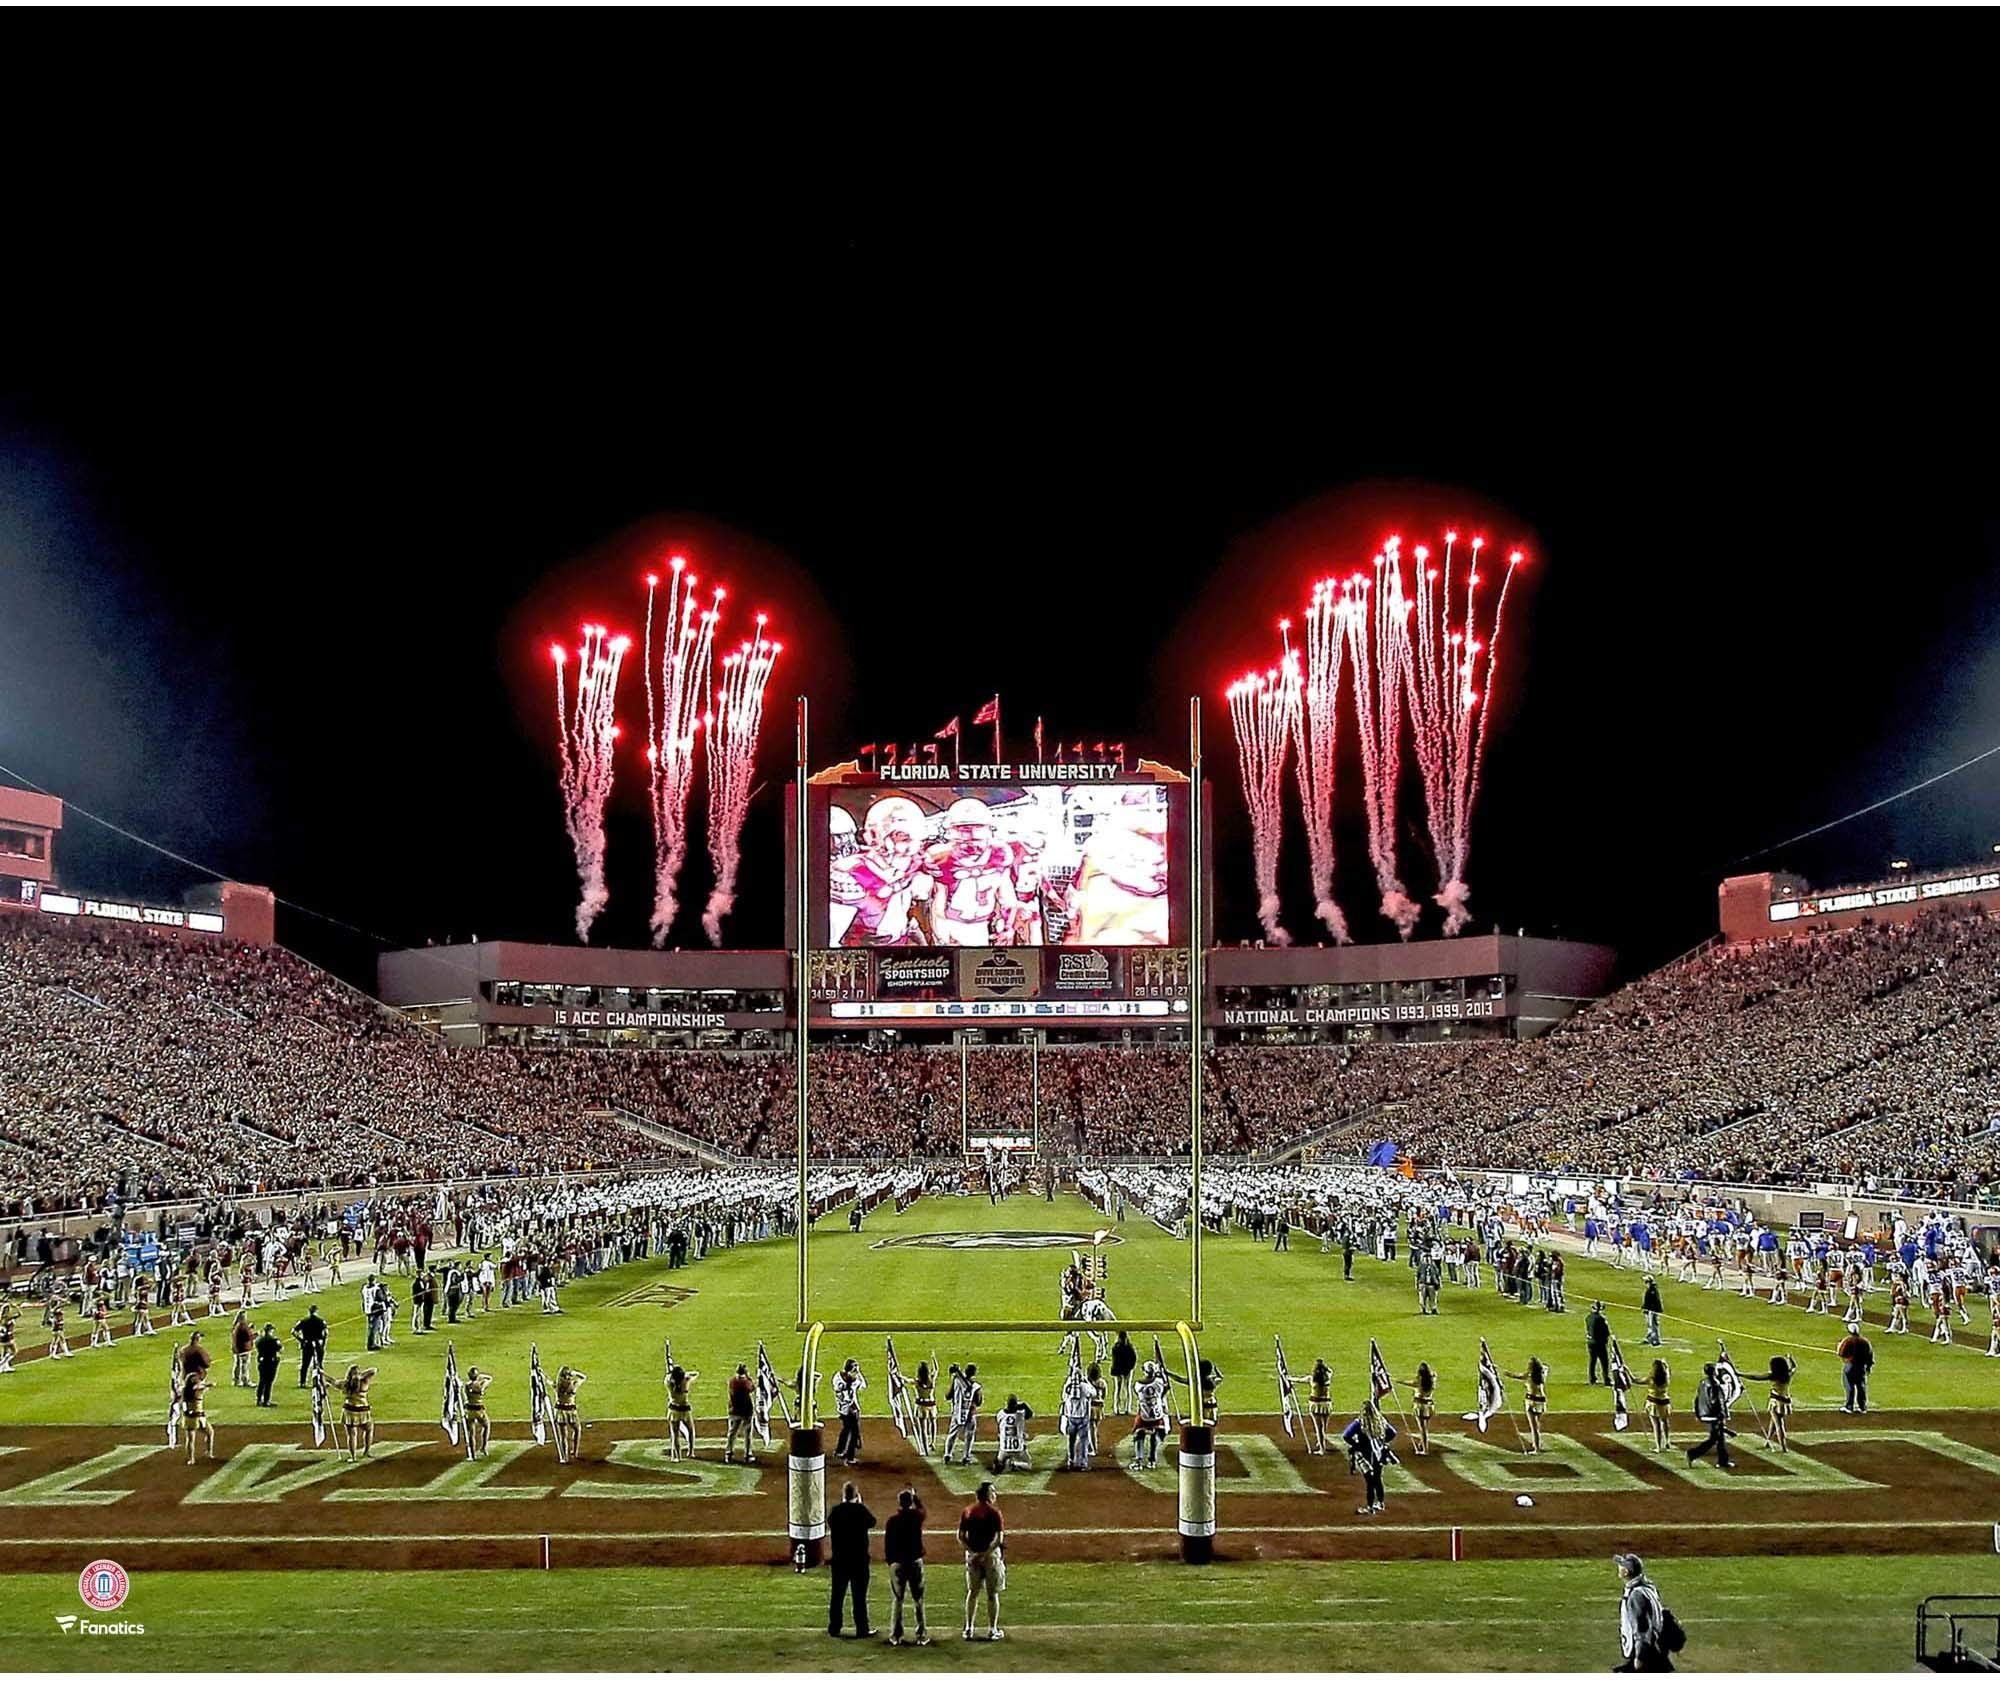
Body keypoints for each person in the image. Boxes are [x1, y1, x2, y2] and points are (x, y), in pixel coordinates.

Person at [825, 1480, 876, 1639]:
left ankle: (834, 1627)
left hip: (840, 1560)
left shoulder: (836, 1511)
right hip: (859, 1560)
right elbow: (872, 1522)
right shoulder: (861, 1510)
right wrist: (859, 1504)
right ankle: (862, 1629)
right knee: (859, 1597)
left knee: (837, 1596)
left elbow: (830, 1523)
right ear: (856, 1495)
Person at [957, 1480, 1005, 1641]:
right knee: (992, 1594)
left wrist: (972, 1553)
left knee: (972, 1593)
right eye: (993, 1492)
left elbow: (961, 1536)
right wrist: (986, 1553)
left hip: (973, 1556)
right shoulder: (994, 1512)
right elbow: (998, 1538)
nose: (995, 1494)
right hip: (990, 1556)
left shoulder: (968, 1511)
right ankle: (992, 1629)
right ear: (987, 1495)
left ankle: (969, 1628)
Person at [883, 1486, 930, 1646]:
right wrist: (916, 1497)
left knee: (897, 1599)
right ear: (910, 1503)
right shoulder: (916, 1516)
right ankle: (921, 1635)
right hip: (915, 1561)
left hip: (898, 1563)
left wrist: (891, 1562)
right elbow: (922, 1510)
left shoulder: (892, 1521)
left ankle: (896, 1635)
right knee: (919, 1600)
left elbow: (888, 1544)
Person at [1614, 1553, 1674, 1671]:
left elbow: (1642, 1628)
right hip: (1654, 1650)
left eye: (1621, 1565)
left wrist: (1640, 1656)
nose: (1618, 1567)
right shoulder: (1646, 1588)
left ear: (1626, 1572)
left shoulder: (1636, 1595)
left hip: (1647, 1654)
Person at [1342, 1395, 1398, 1515]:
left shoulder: (1360, 1423)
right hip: (1379, 1454)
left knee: (1369, 1481)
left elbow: (1346, 1435)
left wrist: (1356, 1445)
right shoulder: (1381, 1421)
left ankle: (1370, 1506)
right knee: (1377, 1478)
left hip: (1365, 1455)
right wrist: (1383, 1442)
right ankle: (1380, 1503)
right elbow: (1392, 1433)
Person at [1685, 1362, 1733, 1470]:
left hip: (1705, 1413)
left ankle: (1723, 1460)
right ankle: (1692, 1453)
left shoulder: (1703, 1383)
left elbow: (1697, 1398)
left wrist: (1697, 1412)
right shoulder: (1714, 1385)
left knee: (1720, 1438)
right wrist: (1722, 1415)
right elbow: (1717, 1401)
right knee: (1715, 1438)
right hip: (1714, 1415)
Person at [943, 1363, 982, 1466]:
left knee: (952, 1434)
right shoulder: (976, 1386)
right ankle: (966, 1457)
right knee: (969, 1436)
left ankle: (948, 1454)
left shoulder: (957, 1381)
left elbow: (948, 1396)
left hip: (957, 1412)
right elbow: (978, 1402)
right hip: (970, 1413)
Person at [833, 1358, 866, 1467]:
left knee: (846, 1429)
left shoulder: (837, 1377)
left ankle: (839, 1450)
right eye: (854, 1371)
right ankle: (850, 1458)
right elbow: (862, 1386)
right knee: (855, 1433)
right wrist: (855, 1411)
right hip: (849, 1410)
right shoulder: (851, 1383)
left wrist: (857, 1372)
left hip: (842, 1409)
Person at [725, 1364, 758, 1465]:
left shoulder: (732, 1381)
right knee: (747, 1434)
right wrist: (750, 1378)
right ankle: (748, 1454)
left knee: (732, 1433)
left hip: (733, 1410)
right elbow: (752, 1388)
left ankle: (728, 1453)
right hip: (745, 1411)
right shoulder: (745, 1382)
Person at [1837, 1326, 1874, 1414]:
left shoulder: (1848, 1340)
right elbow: (1870, 1354)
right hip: (1861, 1367)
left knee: (1849, 1386)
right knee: (1861, 1386)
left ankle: (1849, 1406)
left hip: (1850, 1366)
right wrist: (1869, 1366)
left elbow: (1841, 1353)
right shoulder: (1865, 1341)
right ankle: (1862, 1407)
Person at [292, 1304, 328, 1386]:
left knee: (305, 1364)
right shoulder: (320, 1321)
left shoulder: (304, 1321)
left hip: (307, 1344)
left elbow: (293, 1331)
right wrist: (323, 1342)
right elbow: (325, 1333)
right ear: (316, 1311)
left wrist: (301, 1340)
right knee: (319, 1363)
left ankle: (302, 1382)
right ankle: (320, 1381)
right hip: (317, 1344)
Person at [463, 1365, 493, 1458]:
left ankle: (472, 1454)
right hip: (479, 1409)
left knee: (471, 1433)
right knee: (486, 1425)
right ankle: (483, 1447)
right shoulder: (481, 1385)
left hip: (469, 1409)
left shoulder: (467, 1385)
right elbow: (490, 1378)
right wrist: (481, 1376)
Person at [1646, 1358, 1673, 1452]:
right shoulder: (1666, 1378)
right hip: (1665, 1402)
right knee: (1665, 1422)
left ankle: (1658, 1446)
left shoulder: (1651, 1379)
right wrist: (1665, 1365)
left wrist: (1627, 1372)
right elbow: (1668, 1371)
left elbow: (1635, 1380)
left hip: (1653, 1402)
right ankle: (1667, 1441)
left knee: (1656, 1425)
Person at [254, 1323, 283, 1406]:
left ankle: (259, 1399)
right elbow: (280, 1350)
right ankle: (266, 1400)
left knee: (262, 1381)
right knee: (269, 1382)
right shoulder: (273, 1340)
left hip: (261, 1362)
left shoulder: (260, 1340)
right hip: (270, 1362)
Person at [1109, 1331, 1137, 1413]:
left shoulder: (1115, 1347)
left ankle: (1116, 1409)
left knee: (1118, 1390)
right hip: (1126, 1370)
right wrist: (1130, 1368)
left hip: (1118, 1370)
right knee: (1127, 1389)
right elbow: (1134, 1358)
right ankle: (1127, 1408)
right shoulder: (1129, 1347)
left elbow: (1115, 1360)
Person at [1586, 1301, 1612, 1385]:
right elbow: (1606, 1331)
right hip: (1599, 1343)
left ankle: (1592, 1378)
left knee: (1592, 1361)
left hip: (1590, 1342)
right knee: (1604, 1362)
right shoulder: (1600, 1319)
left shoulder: (1588, 1317)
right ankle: (1606, 1379)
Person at [231, 1309, 255, 1386]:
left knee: (237, 1365)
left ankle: (236, 1380)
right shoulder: (242, 1327)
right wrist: (255, 1335)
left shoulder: (237, 1326)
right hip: (243, 1348)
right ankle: (245, 1381)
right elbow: (248, 1338)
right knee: (244, 1365)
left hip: (238, 1348)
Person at [1642, 1275, 1664, 1347]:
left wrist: (1650, 1310)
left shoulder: (1653, 1290)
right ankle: (1649, 1338)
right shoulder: (1650, 1289)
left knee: (1654, 1325)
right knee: (1650, 1324)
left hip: (1653, 1311)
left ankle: (1656, 1340)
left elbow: (1655, 1302)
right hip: (1650, 1310)